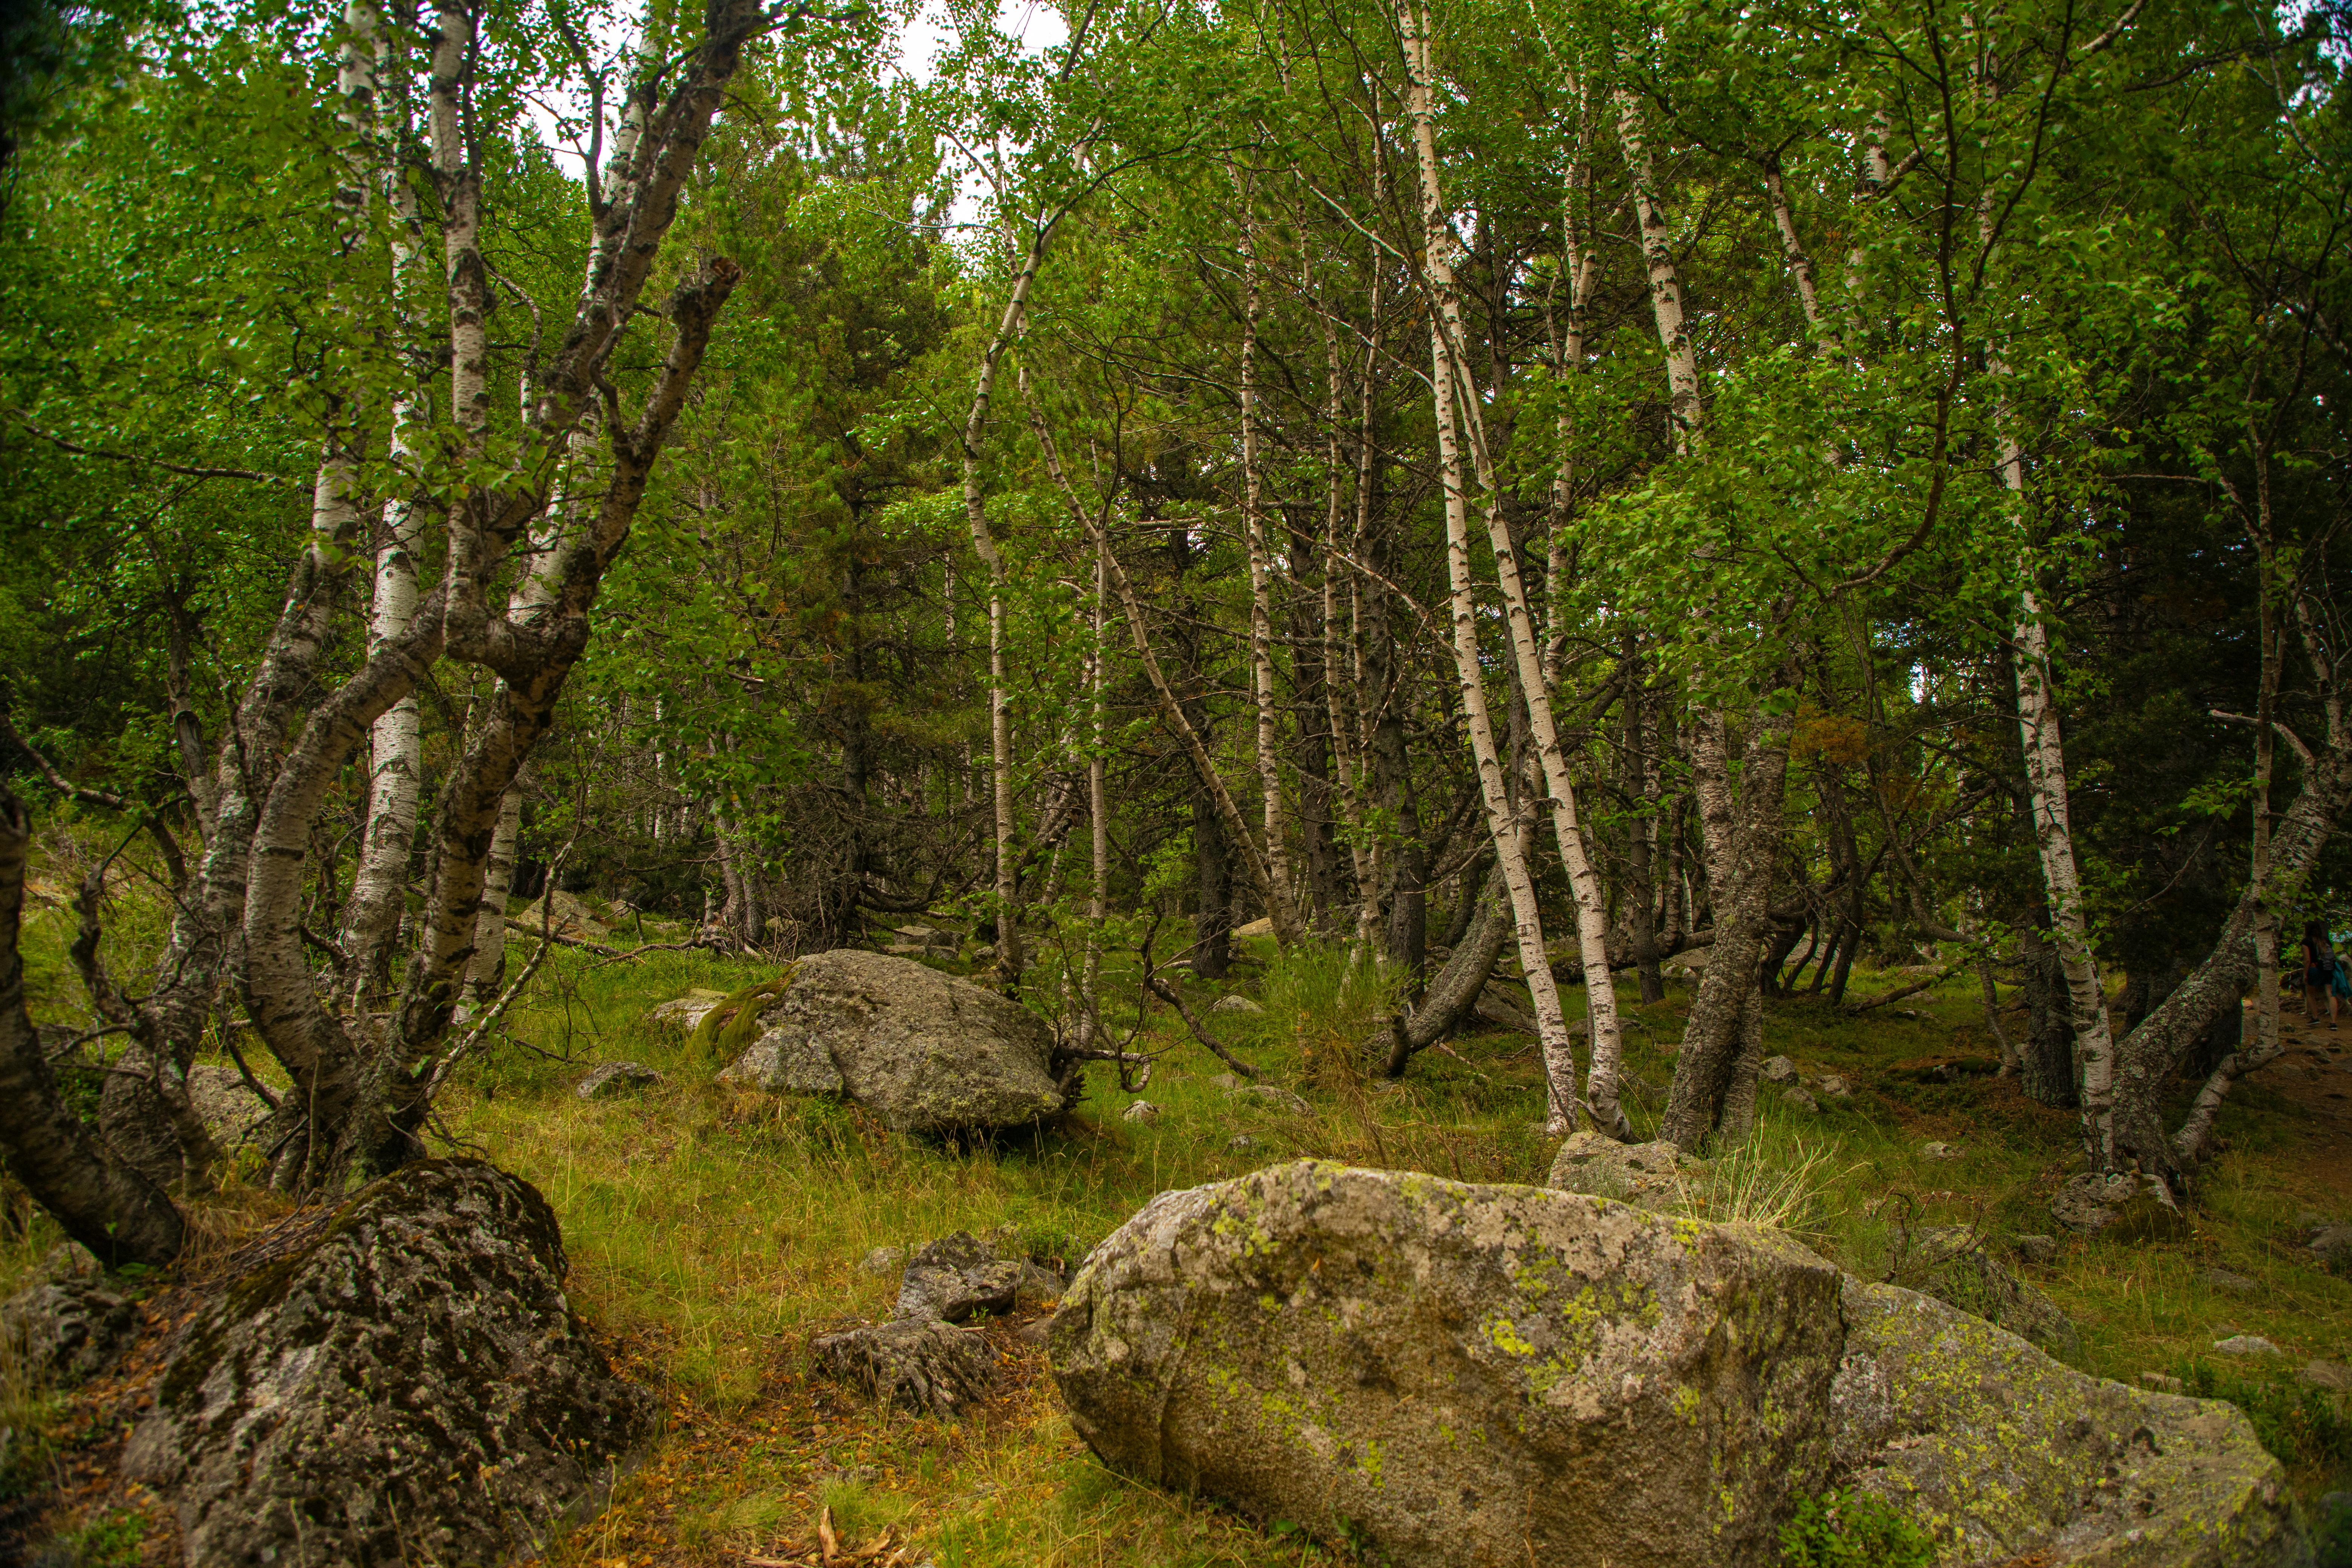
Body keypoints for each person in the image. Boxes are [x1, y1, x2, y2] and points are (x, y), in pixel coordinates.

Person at [2300, 920, 2339, 1028]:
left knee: (2310, 994)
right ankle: (2333, 1023)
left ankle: (2315, 1017)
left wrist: (2305, 974)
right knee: (2331, 994)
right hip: (2328, 969)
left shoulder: (2306, 941)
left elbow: (2307, 960)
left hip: (2314, 969)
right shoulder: (2326, 941)